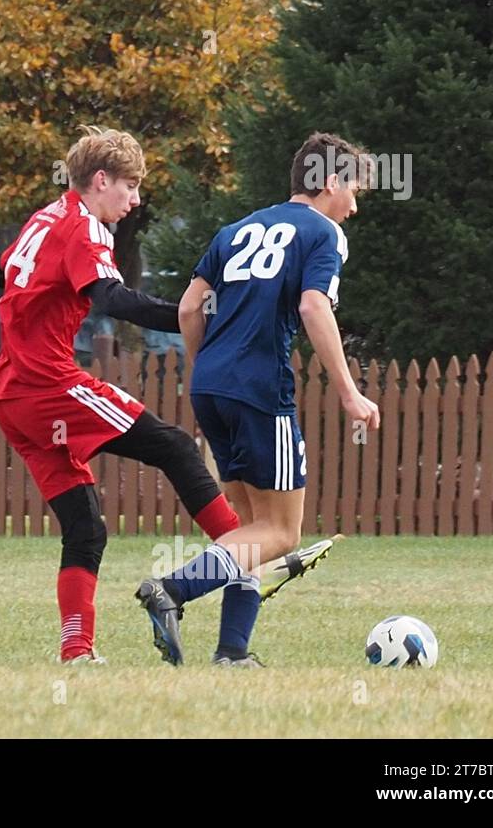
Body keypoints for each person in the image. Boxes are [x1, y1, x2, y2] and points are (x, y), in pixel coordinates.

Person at [0, 126, 244, 664]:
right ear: (100, 180)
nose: (136, 199)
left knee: (86, 528)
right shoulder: (83, 228)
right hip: (48, 386)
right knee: (173, 445)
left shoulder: (45, 217)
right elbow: (115, 300)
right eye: (130, 185)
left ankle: (76, 650)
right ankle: (245, 552)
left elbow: (0, 271)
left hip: (11, 398)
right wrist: (192, 312)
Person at [137, 132, 377, 667]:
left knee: (248, 529)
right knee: (282, 531)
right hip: (260, 389)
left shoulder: (236, 228)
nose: (355, 206)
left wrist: (208, 371)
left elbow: (188, 309)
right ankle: (172, 591)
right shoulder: (324, 232)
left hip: (212, 385)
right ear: (330, 181)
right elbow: (315, 308)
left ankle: (232, 651)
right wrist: (349, 392)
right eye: (354, 190)